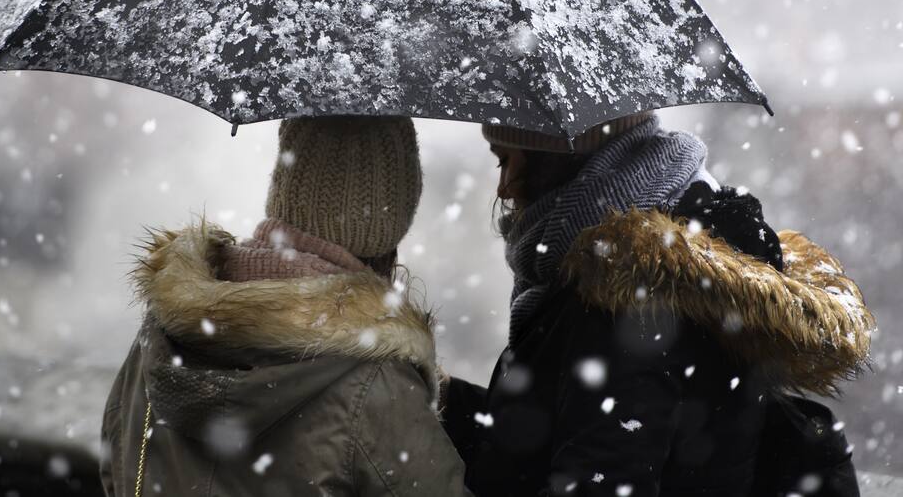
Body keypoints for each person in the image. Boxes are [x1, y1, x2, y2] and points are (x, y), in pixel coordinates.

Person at [443, 112, 875, 497]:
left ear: (567, 159)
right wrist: (429, 394)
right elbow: (561, 429)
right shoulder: (658, 270)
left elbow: (597, 469)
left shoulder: (627, 298)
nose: (505, 186)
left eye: (507, 160)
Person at [100, 116, 471, 497]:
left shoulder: (163, 331)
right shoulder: (375, 384)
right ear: (391, 224)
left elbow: (118, 465)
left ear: (284, 187)